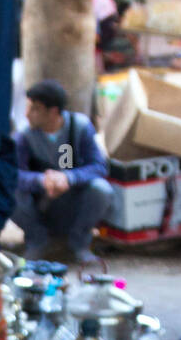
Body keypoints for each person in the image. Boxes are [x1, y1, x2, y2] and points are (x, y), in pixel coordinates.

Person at [12, 79, 112, 263]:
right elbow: (13, 174)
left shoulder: (80, 127)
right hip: (41, 203)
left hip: (72, 199)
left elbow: (99, 166)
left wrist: (69, 177)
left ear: (53, 112)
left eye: (35, 109)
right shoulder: (25, 136)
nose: (27, 114)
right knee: (5, 189)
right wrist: (41, 180)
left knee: (101, 189)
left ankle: (79, 243)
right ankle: (37, 241)